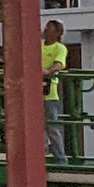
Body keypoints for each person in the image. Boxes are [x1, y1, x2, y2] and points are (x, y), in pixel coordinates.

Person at [41, 19, 70, 162]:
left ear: (58, 32)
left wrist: (47, 71)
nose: (46, 31)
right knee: (36, 127)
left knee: (52, 126)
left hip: (49, 91)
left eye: (50, 28)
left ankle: (60, 158)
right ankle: (41, 155)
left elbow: (59, 64)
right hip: (34, 90)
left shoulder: (60, 48)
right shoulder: (38, 45)